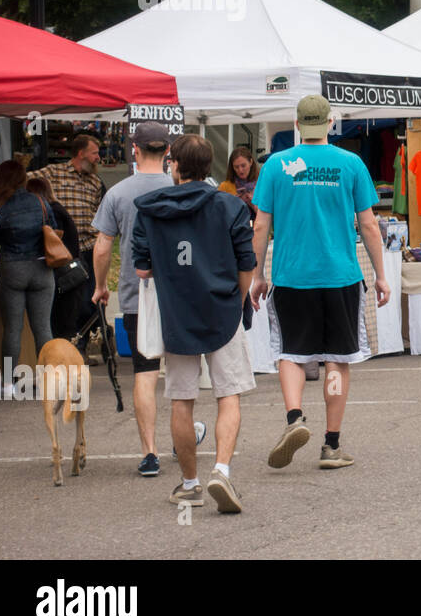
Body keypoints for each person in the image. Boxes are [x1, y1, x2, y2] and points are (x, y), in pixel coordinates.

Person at [251, 95, 390, 472]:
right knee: (337, 360)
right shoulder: (351, 163)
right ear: (330, 123)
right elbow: (369, 224)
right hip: (340, 276)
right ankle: (331, 445)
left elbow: (260, 225)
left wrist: (257, 275)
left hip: (292, 276)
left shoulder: (275, 165)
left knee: (292, 353)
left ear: (297, 124)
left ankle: (294, 418)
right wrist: (380, 275)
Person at [132, 134, 257, 512]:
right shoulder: (230, 206)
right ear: (209, 167)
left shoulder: (150, 210)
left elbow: (142, 270)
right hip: (222, 310)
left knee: (181, 401)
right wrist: (238, 300)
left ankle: (190, 484)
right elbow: (247, 264)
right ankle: (221, 470)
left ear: (174, 165)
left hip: (176, 315)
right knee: (228, 395)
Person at [91, 122, 176, 477]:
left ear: (135, 150)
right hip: (180, 295)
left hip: (137, 295)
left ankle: (150, 453)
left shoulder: (118, 193)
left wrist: (100, 286)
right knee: (181, 372)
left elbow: (102, 247)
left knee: (145, 372)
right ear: (167, 151)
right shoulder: (180, 187)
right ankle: (184, 437)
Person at [20, 135, 106, 328]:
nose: (98, 158)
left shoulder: (95, 182)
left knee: (89, 301)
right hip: (64, 250)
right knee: (68, 301)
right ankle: (69, 338)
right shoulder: (54, 172)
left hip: (89, 248)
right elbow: (21, 180)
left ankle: (87, 338)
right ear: (81, 153)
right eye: (94, 153)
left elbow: (99, 212)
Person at [0, 161, 56, 399]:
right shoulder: (39, 201)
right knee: (43, 328)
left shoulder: (0, 205)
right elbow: (53, 228)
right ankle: (48, 382)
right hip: (42, 268)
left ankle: (8, 384)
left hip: (12, 268)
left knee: (12, 329)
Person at [25, 178, 82, 342]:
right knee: (65, 325)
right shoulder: (57, 208)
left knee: (60, 327)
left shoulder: (52, 212)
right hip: (71, 273)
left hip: (64, 275)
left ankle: (61, 356)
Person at [218, 146, 261, 220]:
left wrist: (252, 203)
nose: (240, 170)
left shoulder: (261, 183)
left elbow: (268, 215)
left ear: (251, 162)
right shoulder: (225, 186)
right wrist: (234, 203)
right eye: (236, 167)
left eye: (243, 166)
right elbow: (219, 214)